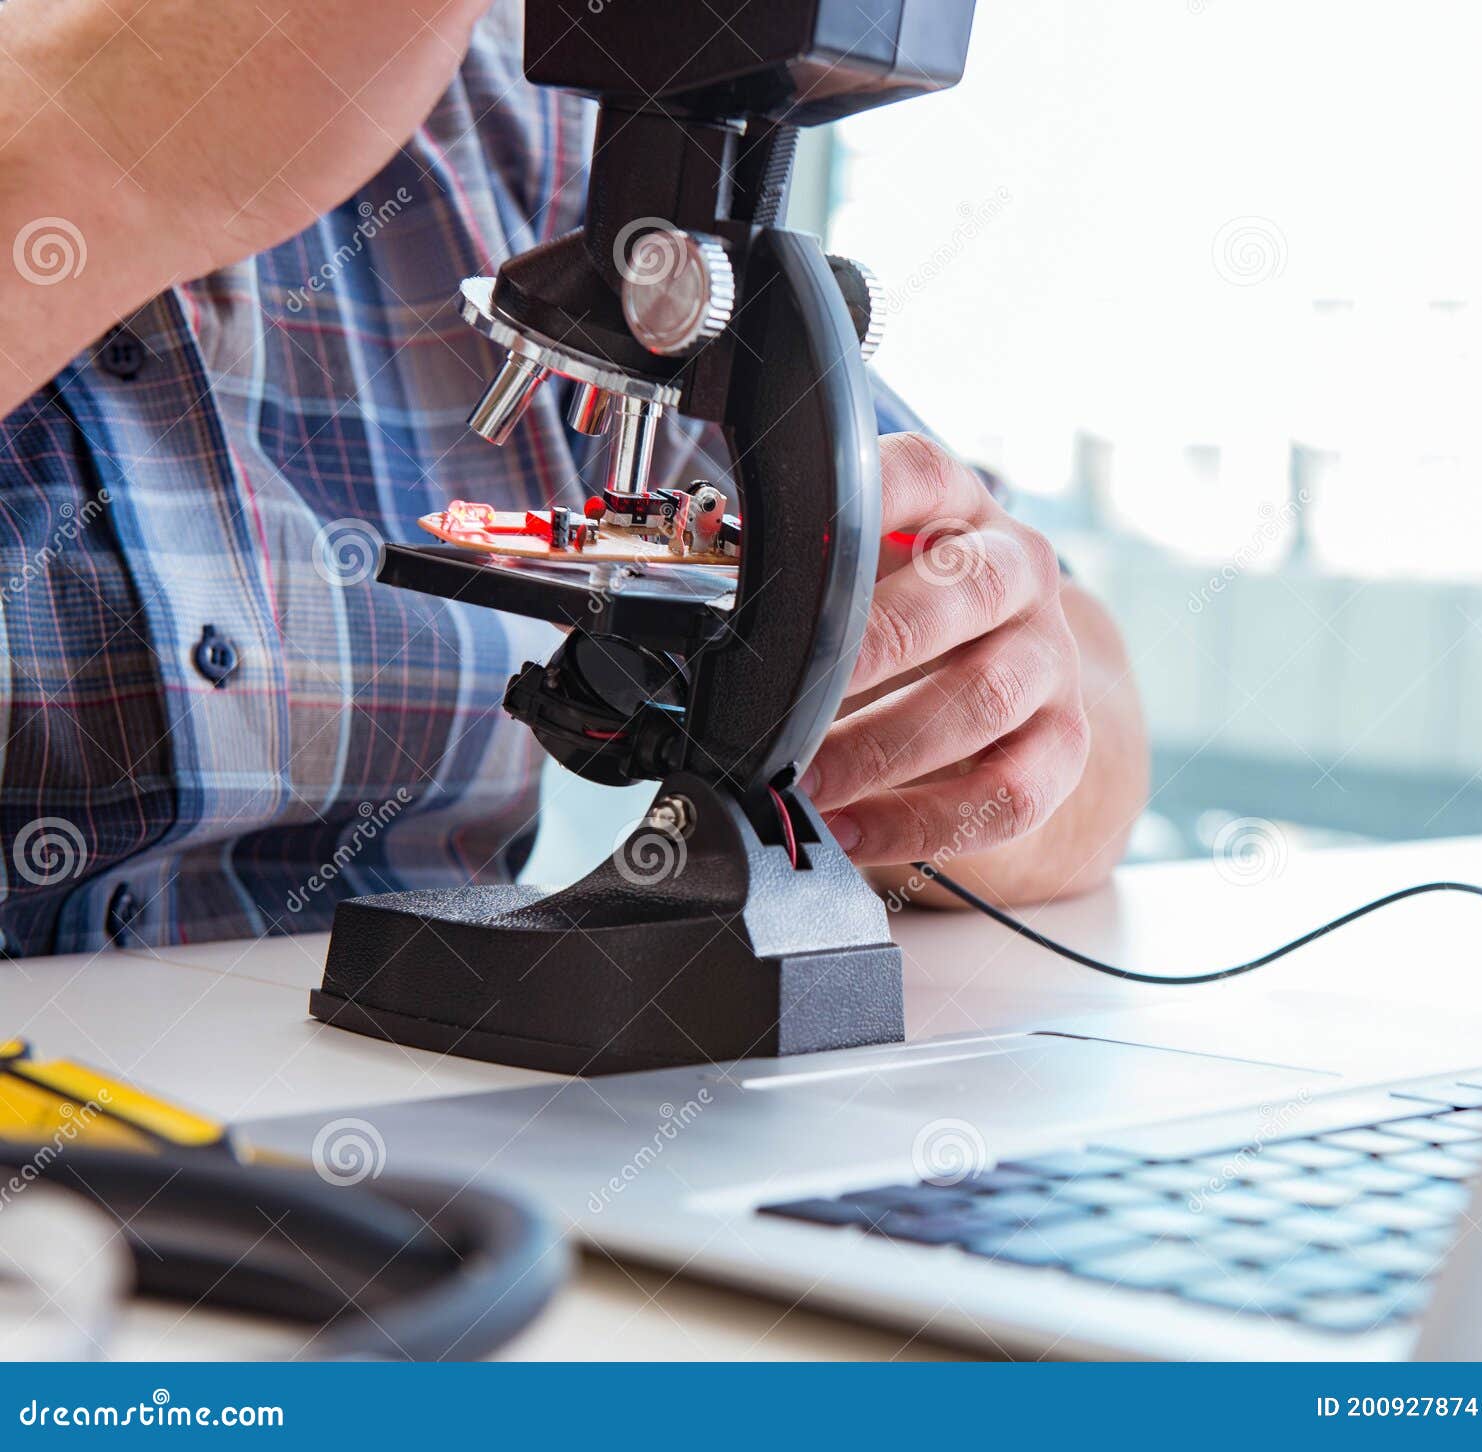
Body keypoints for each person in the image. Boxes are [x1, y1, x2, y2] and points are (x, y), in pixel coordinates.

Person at [0, 0, 1148, 957]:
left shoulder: (518, 95)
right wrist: (107, 159)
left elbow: (1072, 693)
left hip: (430, 1146)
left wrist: (956, 722)